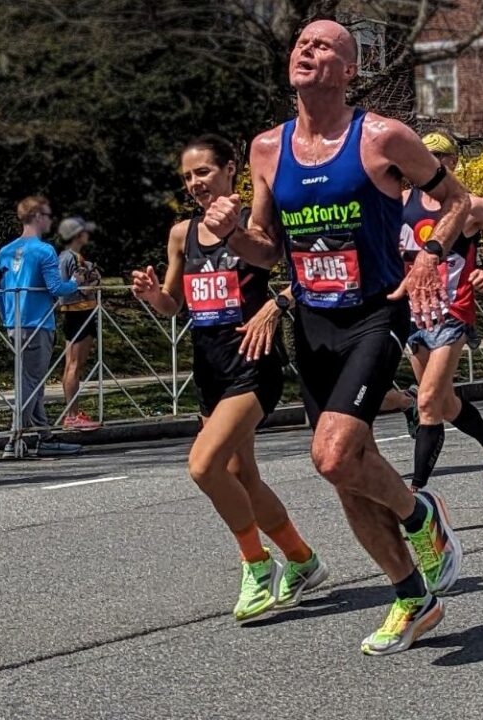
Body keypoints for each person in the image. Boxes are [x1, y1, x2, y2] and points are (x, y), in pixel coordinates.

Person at [209, 19, 468, 655]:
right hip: (314, 324)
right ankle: (413, 597)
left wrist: (431, 253)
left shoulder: (382, 137)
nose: (307, 50)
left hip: (374, 316)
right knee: (344, 470)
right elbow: (269, 250)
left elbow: (457, 202)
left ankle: (420, 517)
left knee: (330, 453)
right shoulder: (267, 148)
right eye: (301, 43)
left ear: (350, 68)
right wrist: (232, 233)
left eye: (324, 45)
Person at [130, 135, 327, 621]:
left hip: (253, 363)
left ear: (230, 170)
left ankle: (256, 566)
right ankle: (302, 559)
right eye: (188, 177)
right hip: (209, 367)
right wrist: (154, 297)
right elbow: (177, 305)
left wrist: (276, 306)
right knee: (241, 475)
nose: (195, 183)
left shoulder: (258, 222)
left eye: (204, 172)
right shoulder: (182, 234)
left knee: (203, 466)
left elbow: (303, 272)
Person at [400, 131, 483, 494]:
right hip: (414, 317)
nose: (434, 164)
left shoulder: (470, 206)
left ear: (453, 162)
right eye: (427, 156)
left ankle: (417, 494)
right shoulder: (401, 201)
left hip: (452, 314)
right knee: (444, 400)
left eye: (441, 157)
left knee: (426, 403)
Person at [0, 196, 86, 457]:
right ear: (36, 217)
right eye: (46, 215)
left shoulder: (4, 252)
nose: (50, 220)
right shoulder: (44, 251)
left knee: (30, 380)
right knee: (32, 382)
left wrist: (5, 318)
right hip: (37, 322)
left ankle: (43, 436)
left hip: (14, 323)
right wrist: (76, 282)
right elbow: (56, 288)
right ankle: (15, 437)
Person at [57, 217, 102, 431]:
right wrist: (95, 280)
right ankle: (72, 415)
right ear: (76, 235)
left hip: (75, 313)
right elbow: (83, 288)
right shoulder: (74, 258)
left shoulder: (64, 257)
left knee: (72, 364)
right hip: (80, 312)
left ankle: (73, 413)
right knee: (75, 364)